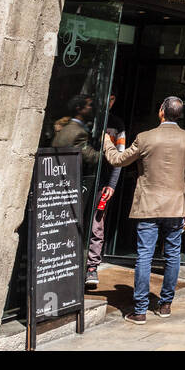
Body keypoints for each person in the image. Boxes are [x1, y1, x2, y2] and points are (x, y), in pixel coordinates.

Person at [102, 96, 185, 324]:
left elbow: (118, 160)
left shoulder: (145, 138)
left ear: (161, 111)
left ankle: (140, 310)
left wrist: (107, 142)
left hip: (148, 205)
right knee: (173, 254)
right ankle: (165, 305)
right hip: (175, 206)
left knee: (145, 255)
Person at [85, 94, 124, 290]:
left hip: (103, 182)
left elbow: (120, 156)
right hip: (81, 178)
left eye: (110, 98)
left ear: (113, 100)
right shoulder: (87, 118)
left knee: (96, 225)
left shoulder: (117, 125)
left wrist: (112, 184)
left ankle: (91, 267)